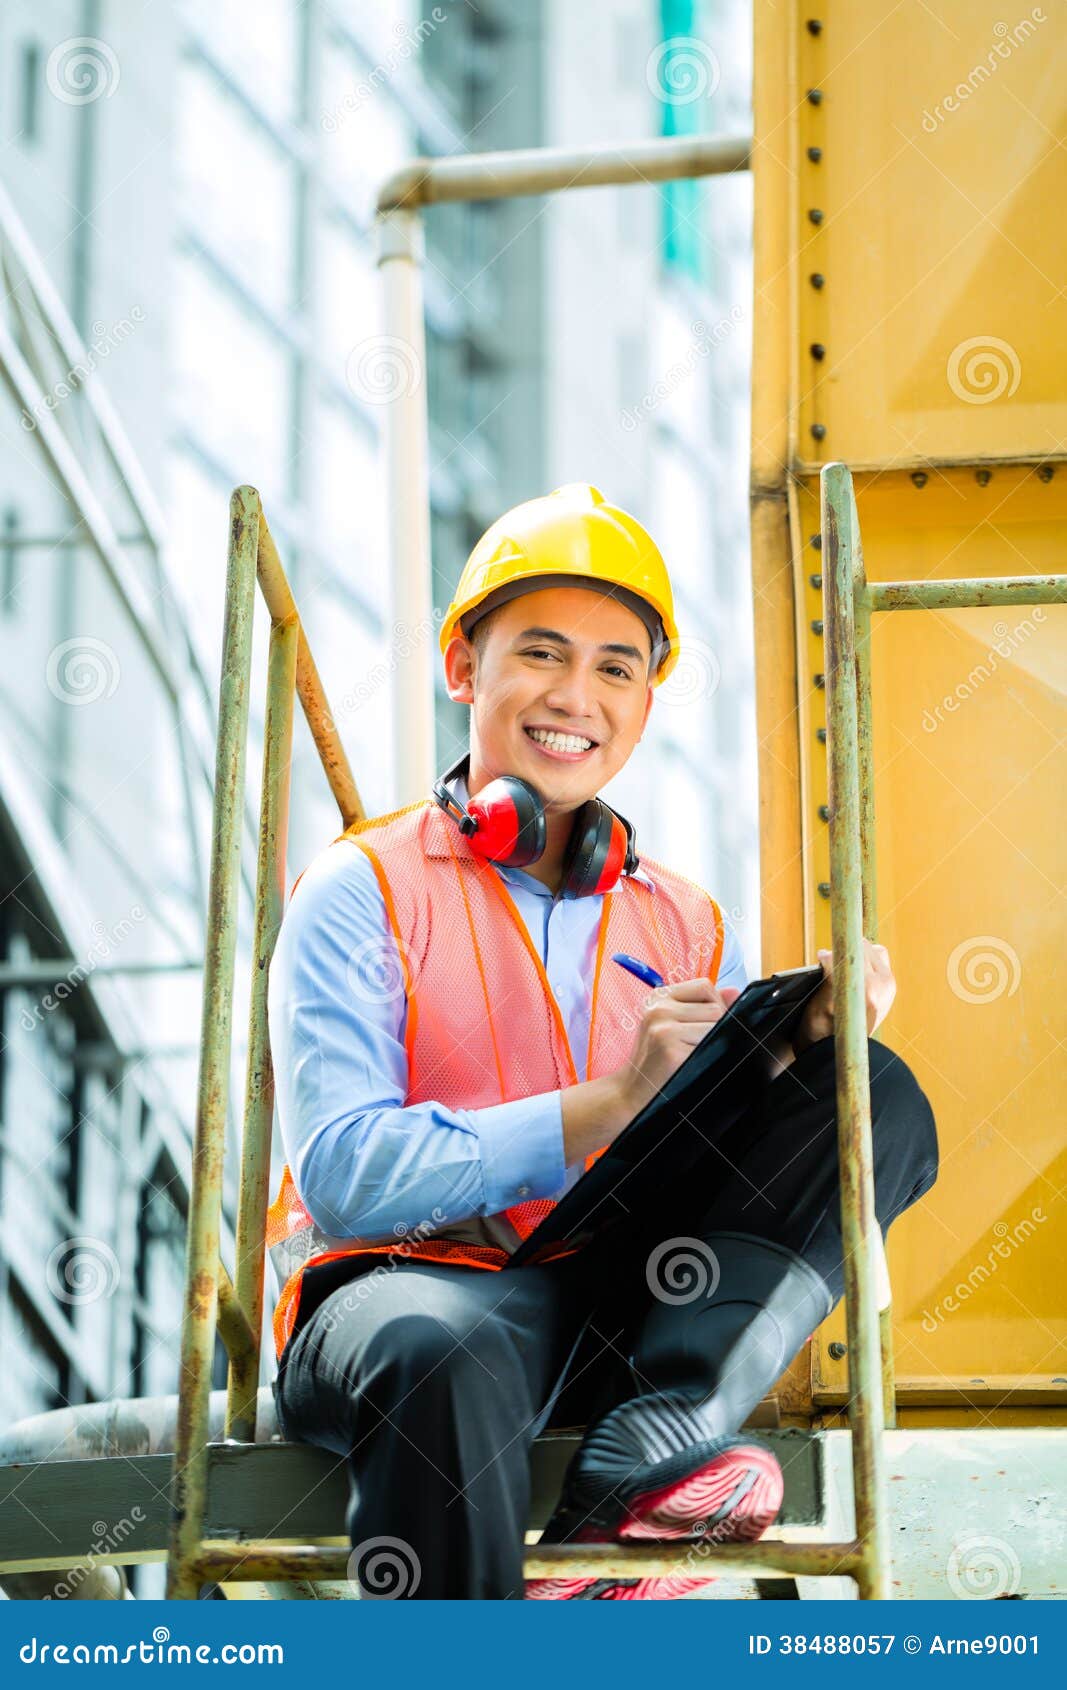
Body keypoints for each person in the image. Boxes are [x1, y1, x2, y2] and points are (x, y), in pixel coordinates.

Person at [266, 484, 939, 1600]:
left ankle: (651, 1454)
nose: (576, 696)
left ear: (643, 700)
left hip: (620, 1311)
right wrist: (611, 1101)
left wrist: (790, 1054)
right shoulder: (361, 887)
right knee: (439, 1348)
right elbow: (345, 1177)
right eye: (541, 653)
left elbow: (721, 1175)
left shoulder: (687, 921)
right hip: (409, 1297)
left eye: (615, 668)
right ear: (461, 665)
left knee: (868, 1090)